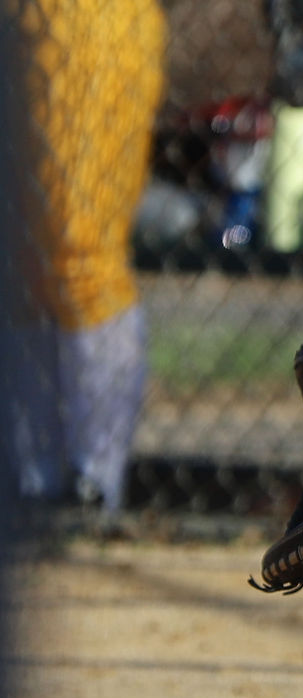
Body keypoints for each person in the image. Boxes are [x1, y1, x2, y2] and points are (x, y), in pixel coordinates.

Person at [0, 0, 167, 510]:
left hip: (84, 18)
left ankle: (93, 483)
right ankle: (35, 483)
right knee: (21, 263)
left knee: (78, 249)